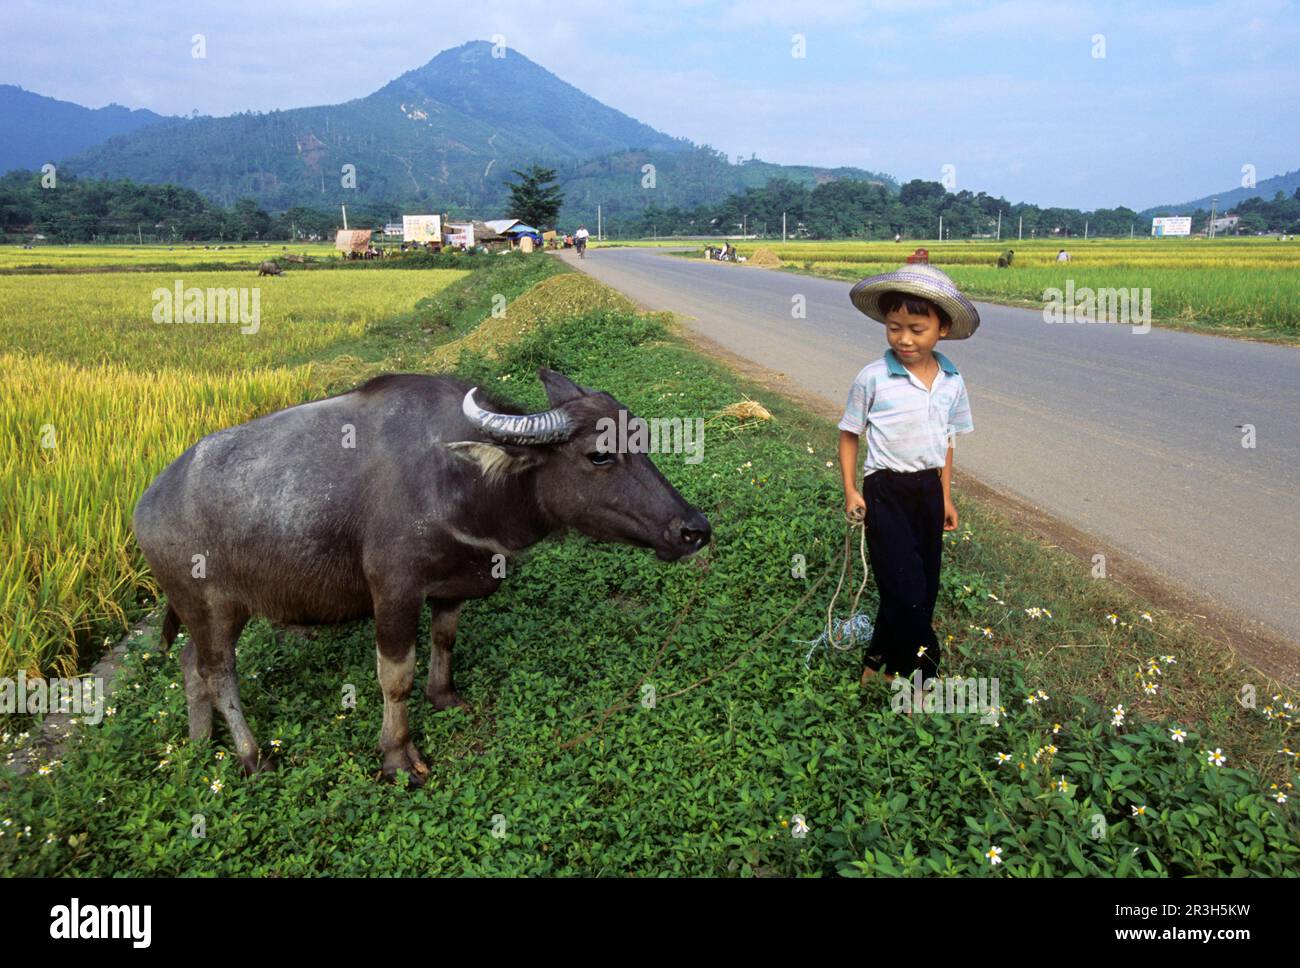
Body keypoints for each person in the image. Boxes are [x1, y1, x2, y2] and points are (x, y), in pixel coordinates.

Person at [837, 264, 979, 689]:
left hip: (928, 491)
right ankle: (921, 676)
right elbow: (849, 434)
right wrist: (850, 490)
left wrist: (946, 495)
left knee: (922, 586)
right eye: (895, 327)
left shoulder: (953, 381)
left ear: (943, 329)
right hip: (885, 490)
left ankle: (875, 663)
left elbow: (948, 440)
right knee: (906, 590)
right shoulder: (874, 378)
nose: (904, 339)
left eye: (917, 329)